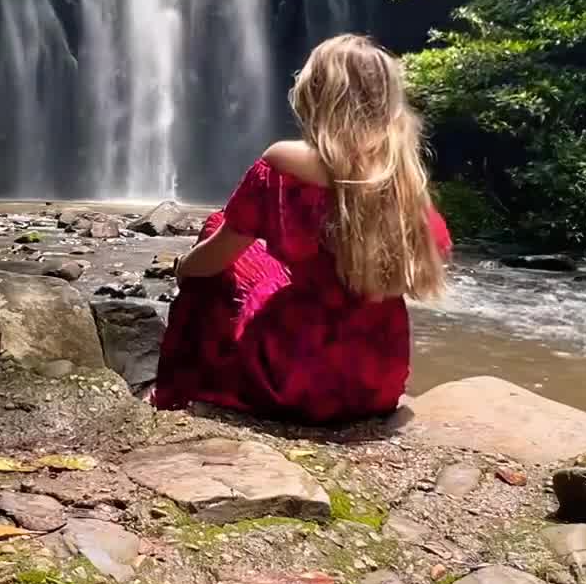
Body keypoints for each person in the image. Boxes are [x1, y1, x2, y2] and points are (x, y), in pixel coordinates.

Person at [152, 34, 450, 423]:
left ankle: (174, 393)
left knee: (216, 228)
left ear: (315, 93)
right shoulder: (402, 178)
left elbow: (213, 261)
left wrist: (182, 268)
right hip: (376, 382)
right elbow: (435, 253)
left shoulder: (282, 162)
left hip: (291, 376)